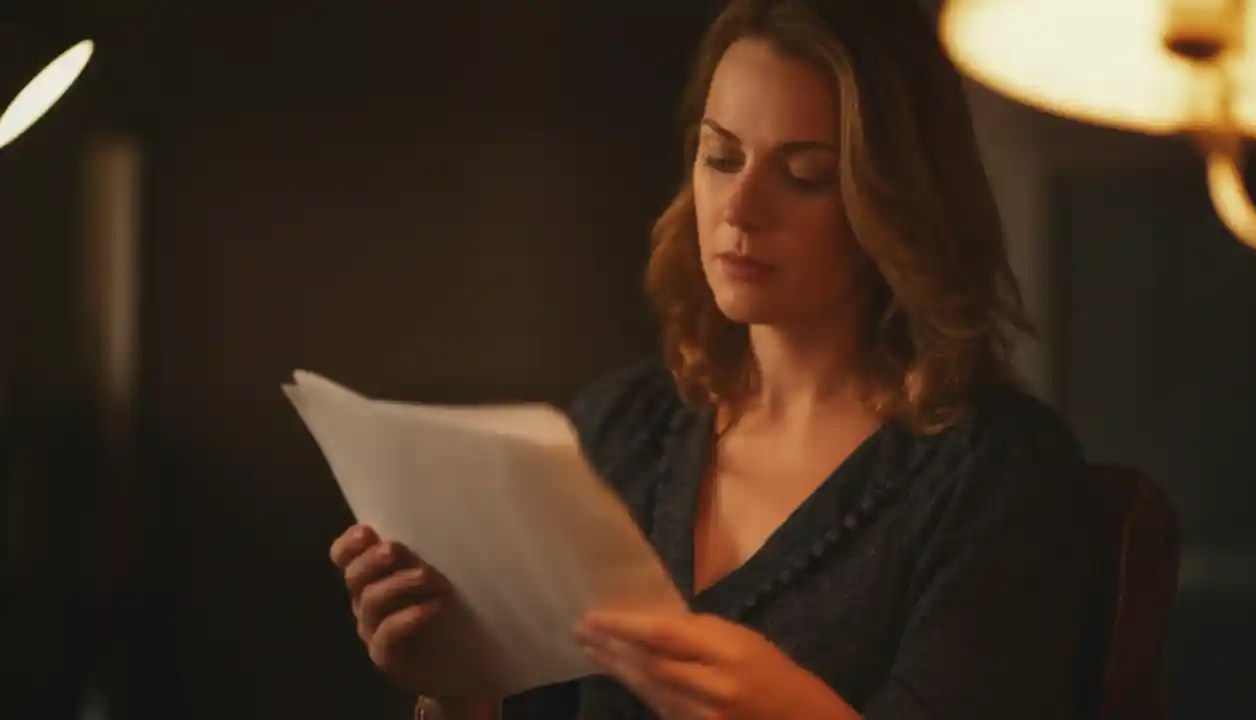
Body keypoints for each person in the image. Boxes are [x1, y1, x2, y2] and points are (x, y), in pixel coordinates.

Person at [329, 0, 1106, 717]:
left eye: (804, 176)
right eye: (722, 157)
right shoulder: (620, 429)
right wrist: (459, 689)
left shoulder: (991, 471)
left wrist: (787, 709)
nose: (740, 209)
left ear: (897, 200)